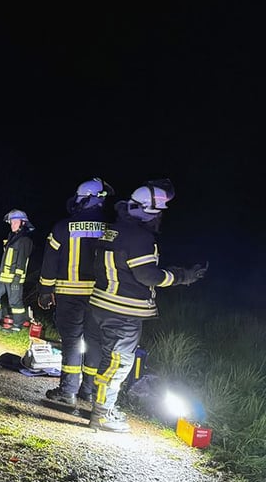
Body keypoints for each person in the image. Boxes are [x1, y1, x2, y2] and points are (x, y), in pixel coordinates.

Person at [86, 180, 207, 432]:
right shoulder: (141, 237)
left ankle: (97, 403)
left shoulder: (112, 229)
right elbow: (147, 276)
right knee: (118, 364)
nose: (159, 217)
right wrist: (181, 276)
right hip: (123, 310)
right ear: (147, 211)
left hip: (100, 304)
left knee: (107, 359)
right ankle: (103, 414)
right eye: (158, 212)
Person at [37, 179, 113, 409]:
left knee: (71, 341)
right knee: (94, 342)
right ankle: (88, 391)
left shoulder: (63, 227)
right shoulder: (111, 229)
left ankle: (67, 391)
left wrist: (45, 291)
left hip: (69, 294)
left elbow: (50, 262)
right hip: (100, 297)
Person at [0, 209, 35, 330]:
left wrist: (17, 280)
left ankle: (17, 326)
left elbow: (22, 261)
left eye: (15, 222)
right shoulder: (12, 238)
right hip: (4, 277)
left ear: (23, 223)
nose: (12, 225)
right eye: (11, 222)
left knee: (15, 303)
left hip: (14, 279)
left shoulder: (25, 240)